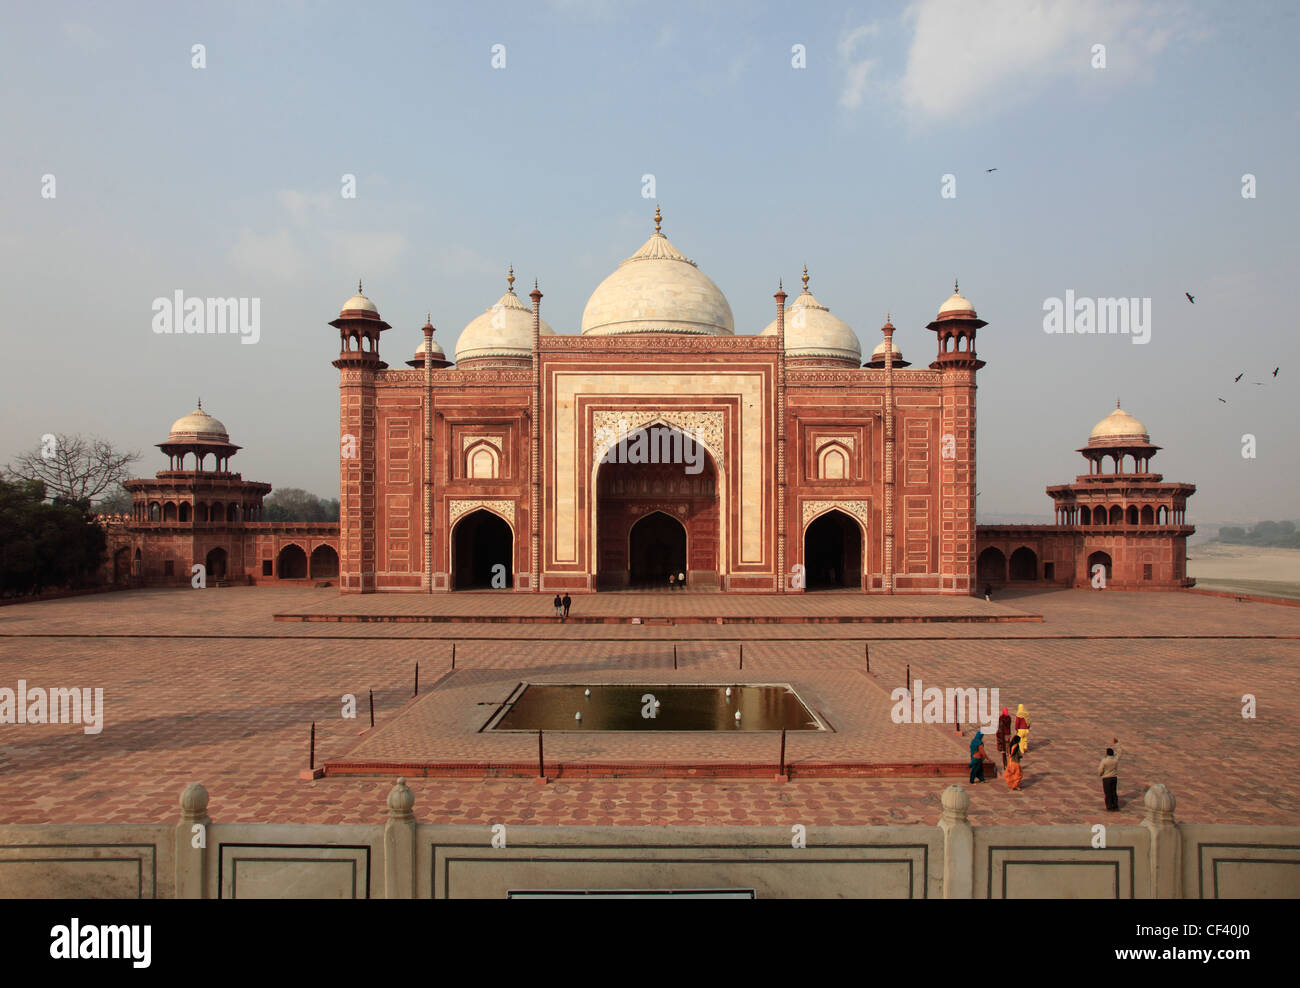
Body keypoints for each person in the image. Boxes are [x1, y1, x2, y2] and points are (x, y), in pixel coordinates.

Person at [1098, 738, 1123, 811]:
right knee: (1114, 792)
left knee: (1108, 793)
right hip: (1114, 777)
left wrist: (1101, 774)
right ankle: (1115, 806)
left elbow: (1100, 769)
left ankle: (1109, 807)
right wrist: (1117, 744)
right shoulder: (1115, 759)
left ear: (1107, 753)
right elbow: (1120, 752)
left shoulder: (1104, 761)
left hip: (1106, 778)